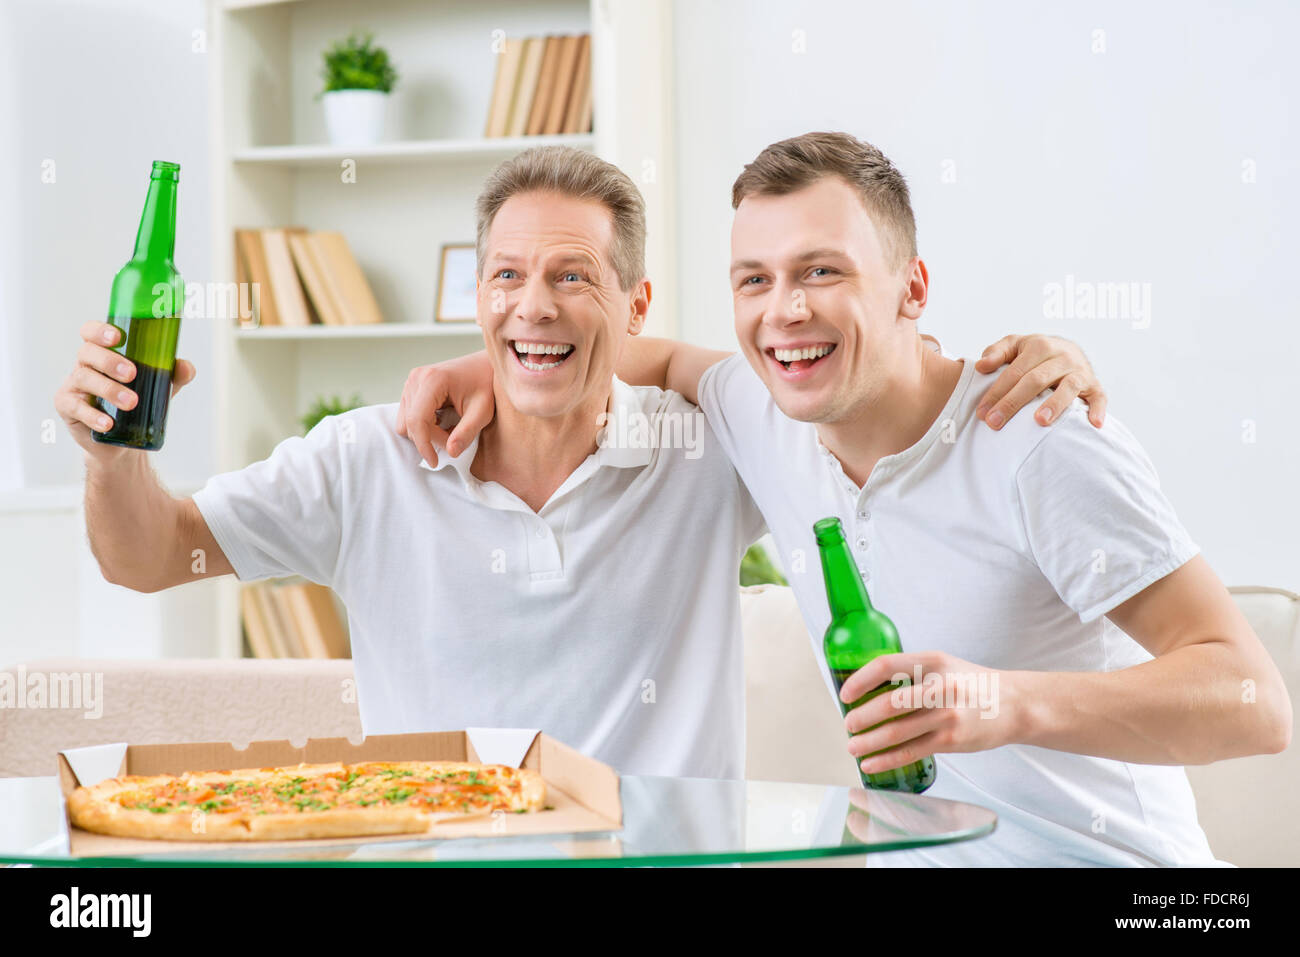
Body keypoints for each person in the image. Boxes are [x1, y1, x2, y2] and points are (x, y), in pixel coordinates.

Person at [55, 146, 1101, 789]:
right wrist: (112, 457)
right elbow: (152, 556)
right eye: (505, 277)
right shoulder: (369, 460)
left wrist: (1016, 370)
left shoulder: (709, 451)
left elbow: (863, 392)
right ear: (477, 299)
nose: (533, 304)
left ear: (637, 307)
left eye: (571, 277)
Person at [395, 134, 1291, 866]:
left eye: (821, 272)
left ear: (912, 288)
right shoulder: (764, 408)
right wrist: (496, 358)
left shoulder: (1038, 434)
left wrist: (1006, 704)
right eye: (755, 279)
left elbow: (1253, 699)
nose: (783, 310)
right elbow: (649, 354)